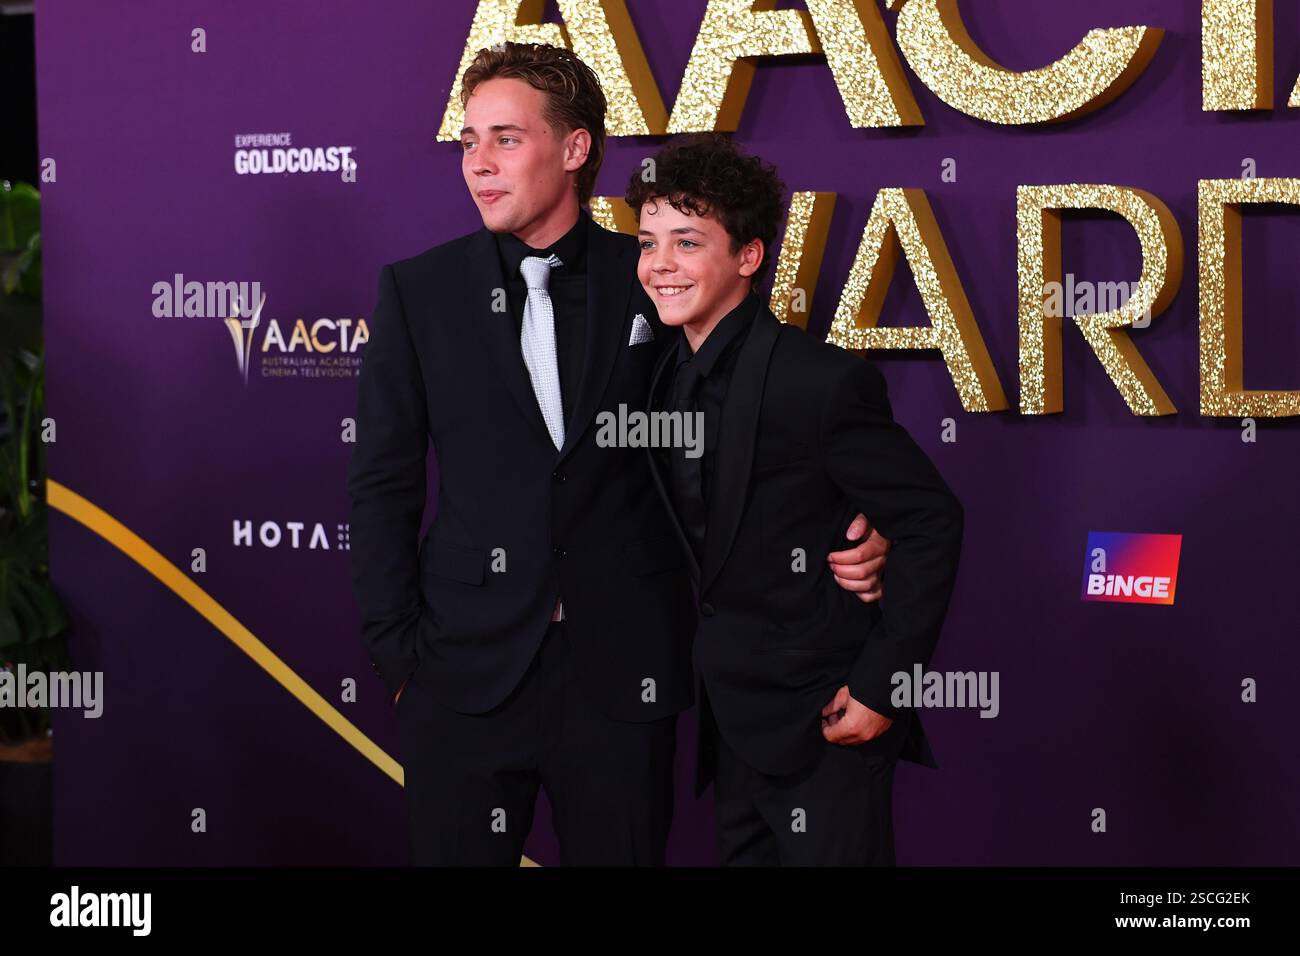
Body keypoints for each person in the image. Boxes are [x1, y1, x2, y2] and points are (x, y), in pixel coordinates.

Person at [346, 42, 888, 866]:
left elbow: (749, 421)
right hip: (461, 670)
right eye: (468, 142)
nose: (478, 165)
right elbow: (382, 484)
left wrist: (853, 519)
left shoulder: (658, 274)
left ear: (574, 150)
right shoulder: (417, 291)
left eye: (505, 139)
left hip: (623, 673)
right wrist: (398, 656)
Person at [631, 134, 964, 865]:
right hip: (729, 716)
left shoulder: (819, 381)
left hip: (824, 713)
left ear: (747, 257)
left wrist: (884, 687)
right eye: (648, 242)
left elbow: (932, 519)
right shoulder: (659, 376)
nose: (660, 265)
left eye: (687, 242)